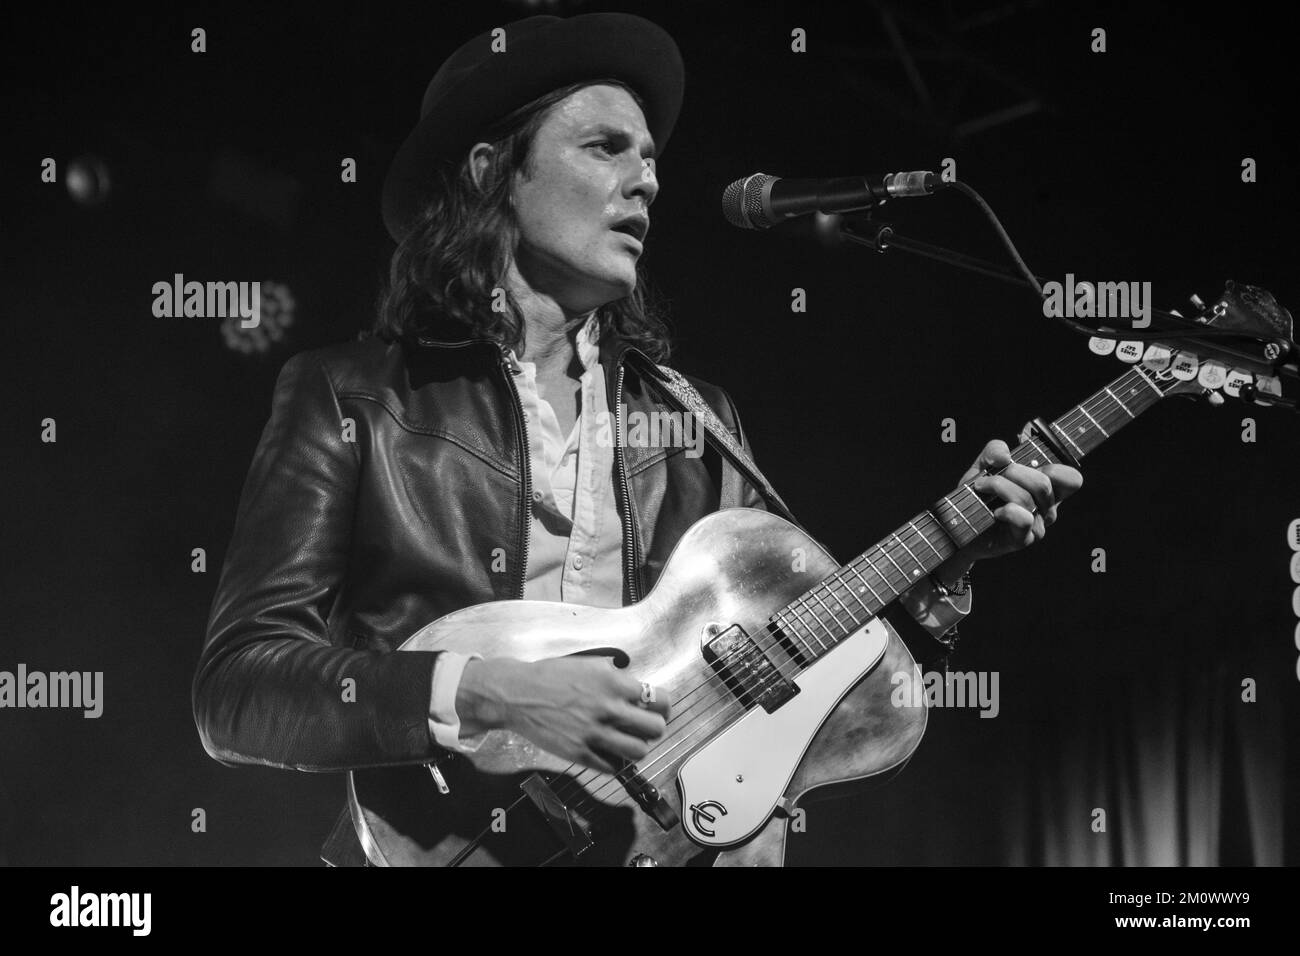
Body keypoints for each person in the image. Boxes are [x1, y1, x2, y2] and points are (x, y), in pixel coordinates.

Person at [191, 12, 1082, 866]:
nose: (647, 179)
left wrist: (945, 568)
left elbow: (784, 680)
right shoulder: (349, 395)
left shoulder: (698, 424)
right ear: (491, 172)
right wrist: (492, 692)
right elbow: (237, 693)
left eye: (651, 158)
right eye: (605, 147)